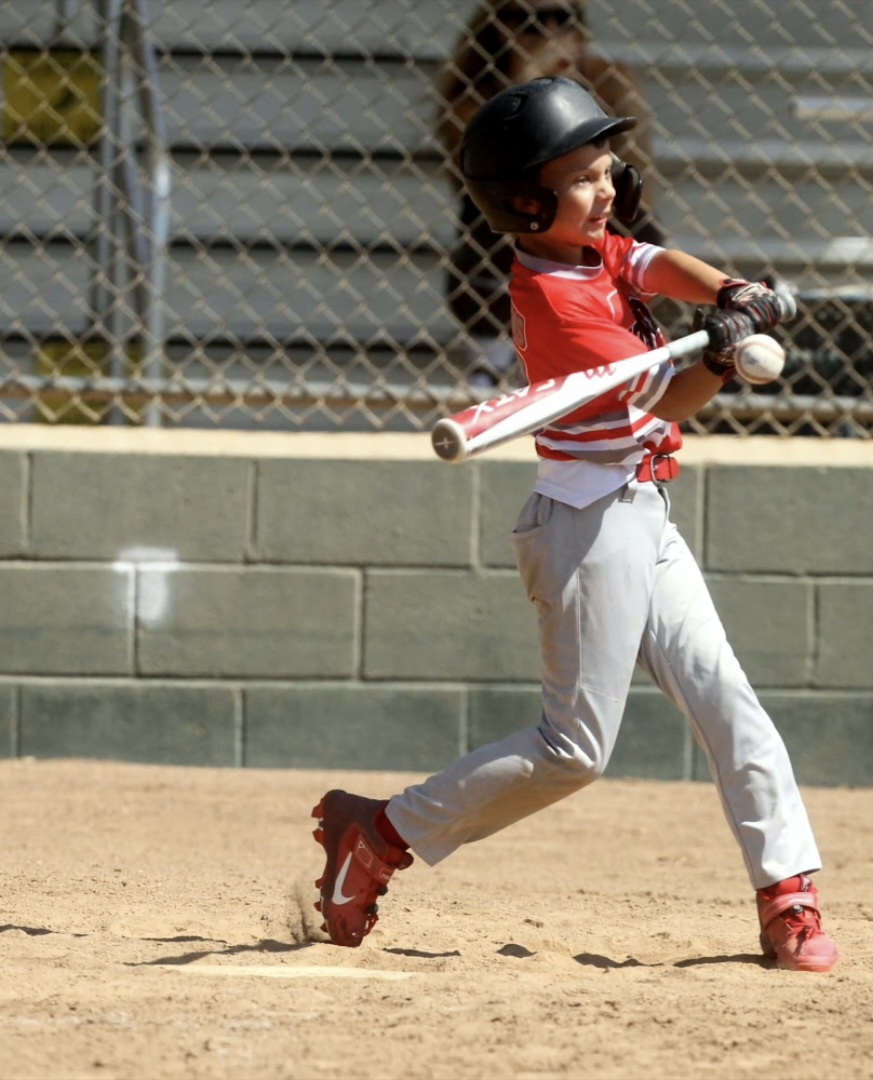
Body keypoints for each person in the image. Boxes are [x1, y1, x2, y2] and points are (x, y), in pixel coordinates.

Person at [310, 76, 839, 974]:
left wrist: (730, 291)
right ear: (525, 202)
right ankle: (381, 832)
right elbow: (670, 400)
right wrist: (719, 354)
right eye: (587, 179)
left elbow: (648, 261)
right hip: (588, 526)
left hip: (639, 506)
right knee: (572, 752)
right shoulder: (555, 303)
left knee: (726, 701)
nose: (608, 190)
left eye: (605, 170)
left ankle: (788, 892)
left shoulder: (588, 250)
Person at [436, 0, 666, 386]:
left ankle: (611, 337)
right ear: (497, 27)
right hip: (517, 222)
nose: (547, 32)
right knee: (498, 216)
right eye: (526, 19)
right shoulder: (475, 94)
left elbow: (635, 172)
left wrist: (573, 93)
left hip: (593, 221)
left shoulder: (606, 78)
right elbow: (474, 178)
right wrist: (529, 87)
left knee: (634, 221)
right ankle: (492, 356)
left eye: (561, 18)